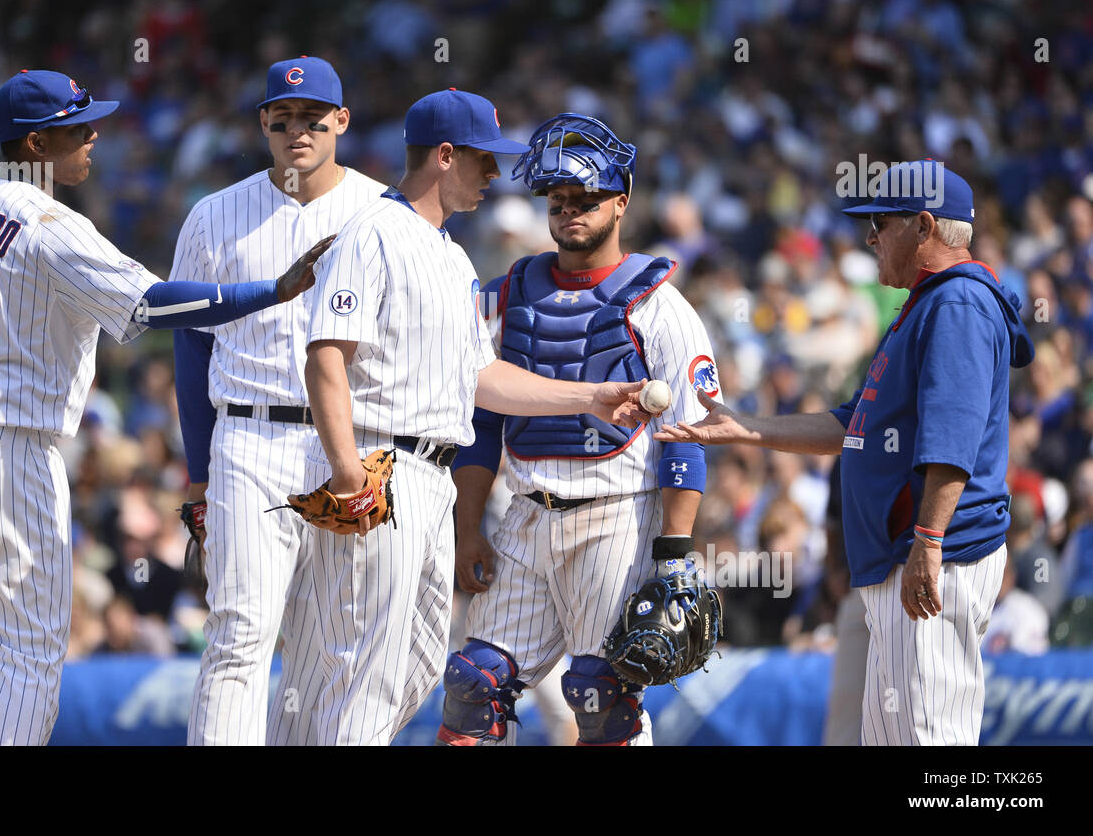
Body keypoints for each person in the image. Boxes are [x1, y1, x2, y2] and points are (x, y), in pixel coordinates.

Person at [0, 69, 330, 745]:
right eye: (77, 127)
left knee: (11, 642)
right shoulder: (51, 223)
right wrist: (272, 289)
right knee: (30, 653)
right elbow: (156, 304)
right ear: (34, 144)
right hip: (5, 447)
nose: (94, 136)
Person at [289, 90, 649, 745]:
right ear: (446, 155)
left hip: (432, 475)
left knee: (424, 660)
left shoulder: (452, 255)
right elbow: (325, 358)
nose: (494, 172)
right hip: (378, 461)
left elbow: (482, 380)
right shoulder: (372, 233)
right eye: (484, 158)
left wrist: (586, 396)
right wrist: (347, 473)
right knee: (361, 668)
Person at [658, 160, 1035, 746]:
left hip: (939, 554)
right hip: (905, 557)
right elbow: (851, 424)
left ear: (925, 227)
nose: (870, 238)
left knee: (932, 744)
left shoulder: (957, 302)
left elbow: (953, 439)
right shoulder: (923, 304)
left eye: (881, 223)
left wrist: (928, 542)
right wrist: (745, 428)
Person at [434, 113, 719, 746]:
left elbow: (688, 437)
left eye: (586, 199)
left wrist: (674, 554)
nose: (570, 211)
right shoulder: (508, 293)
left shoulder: (659, 304)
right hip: (526, 514)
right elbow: (480, 420)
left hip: (617, 512)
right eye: (558, 201)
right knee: (472, 684)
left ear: (620, 203)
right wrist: (469, 525)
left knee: (601, 692)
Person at [170, 56, 388, 746]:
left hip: (349, 446)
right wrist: (200, 474)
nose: (299, 130)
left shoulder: (382, 213)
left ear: (341, 122)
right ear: (264, 121)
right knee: (240, 629)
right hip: (249, 436)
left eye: (314, 119)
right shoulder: (214, 214)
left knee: (333, 645)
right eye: (283, 118)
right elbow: (190, 344)